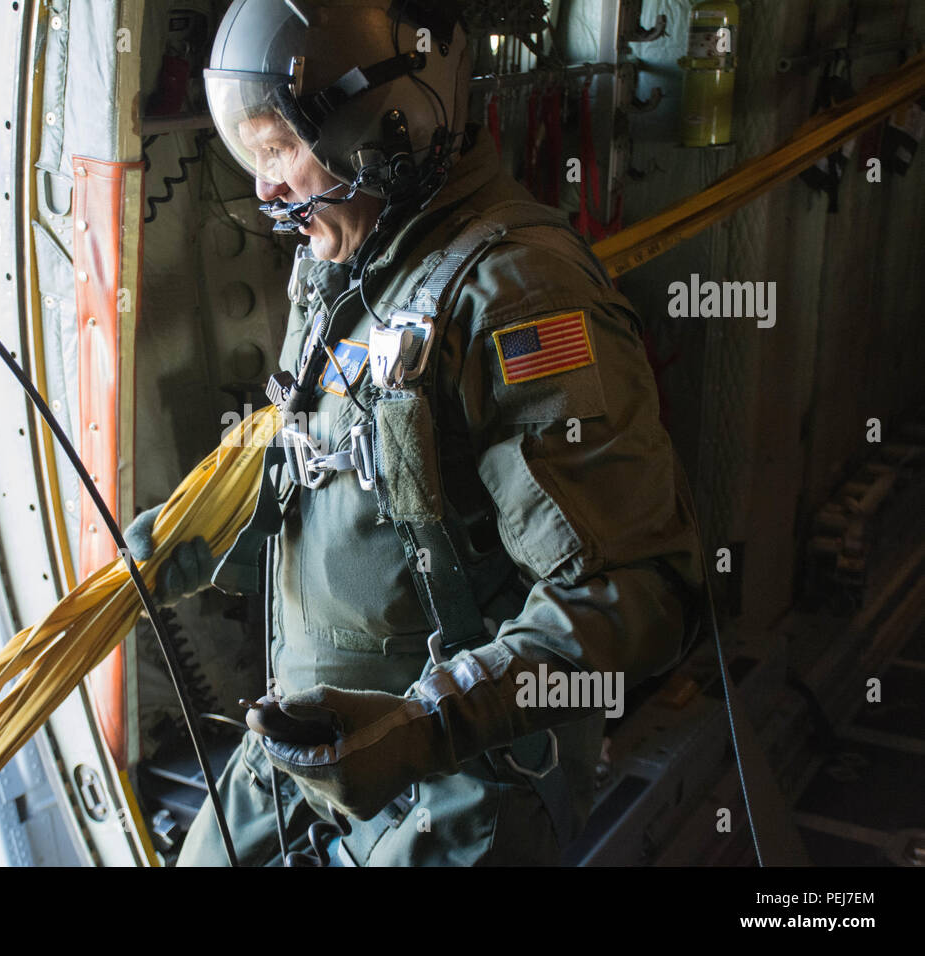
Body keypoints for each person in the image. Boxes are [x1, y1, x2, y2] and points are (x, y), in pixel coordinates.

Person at [126, 0, 704, 866]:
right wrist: (206, 535)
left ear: (377, 126)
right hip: (308, 738)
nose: (264, 187)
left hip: (462, 772)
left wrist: (420, 727)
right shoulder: (339, 267)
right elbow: (339, 481)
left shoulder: (517, 293)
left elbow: (642, 597)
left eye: (278, 148)